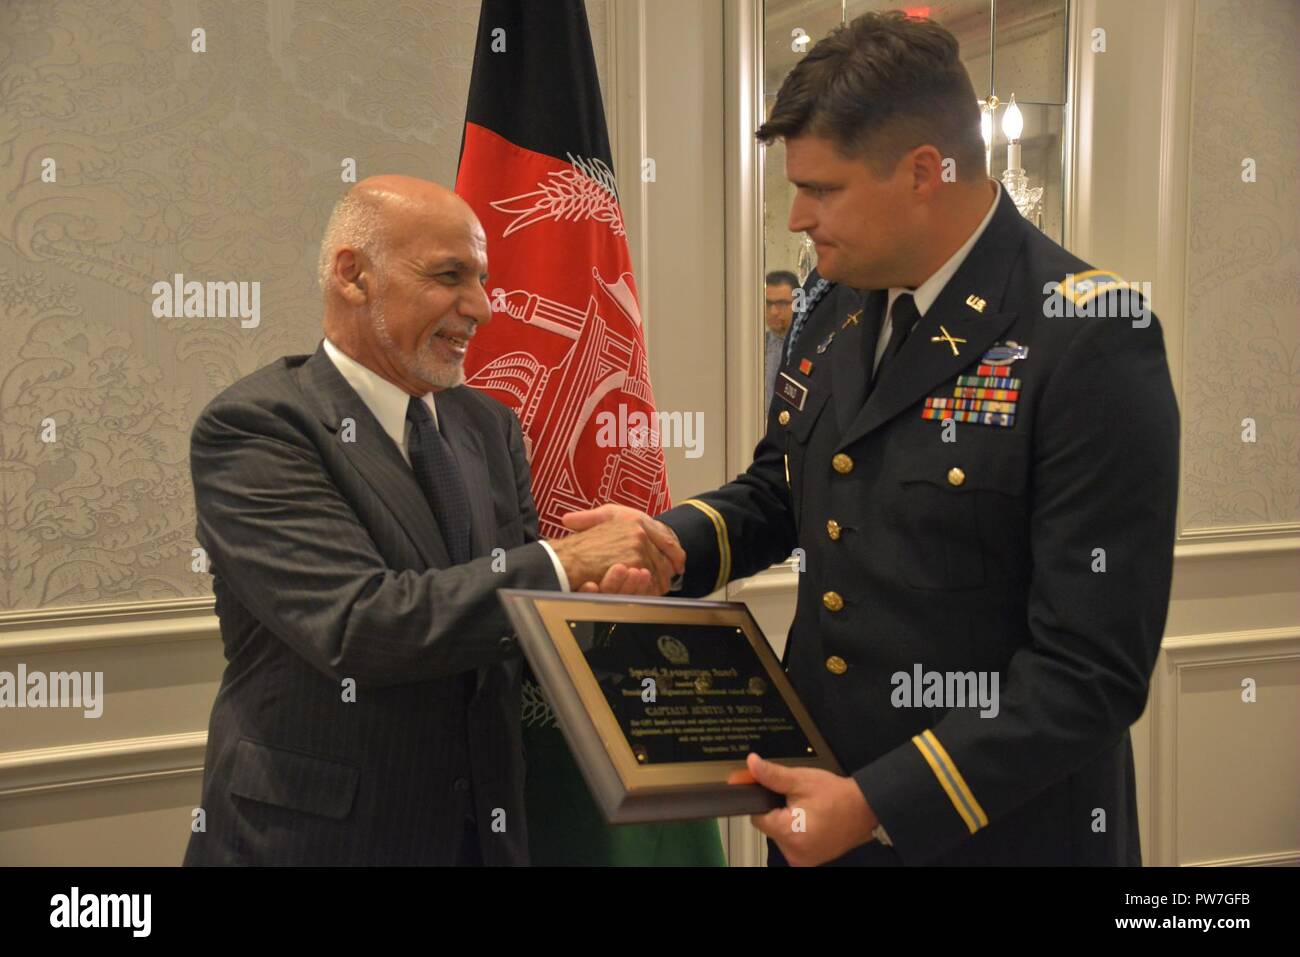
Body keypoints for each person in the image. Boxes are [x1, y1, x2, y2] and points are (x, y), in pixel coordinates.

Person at [563, 12, 1179, 866]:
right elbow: (784, 485)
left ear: (925, 172)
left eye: (823, 189)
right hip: (822, 799)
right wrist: (674, 540)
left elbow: (1091, 670)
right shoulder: (836, 302)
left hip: (991, 830)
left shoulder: (1088, 332)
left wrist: (877, 804)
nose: (796, 219)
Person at [184, 175, 682, 866]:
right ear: (352, 275)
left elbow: (509, 614)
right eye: (450, 276)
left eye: (482, 278)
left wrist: (590, 606)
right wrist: (569, 561)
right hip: (318, 842)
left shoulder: (489, 425)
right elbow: (360, 623)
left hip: (483, 832)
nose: (480, 307)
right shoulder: (260, 426)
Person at [763, 270, 799, 410]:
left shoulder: (807, 347)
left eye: (782, 303)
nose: (773, 312)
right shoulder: (755, 348)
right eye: (768, 303)